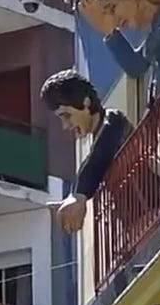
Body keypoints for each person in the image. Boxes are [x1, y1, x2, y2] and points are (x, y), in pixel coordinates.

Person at [40, 70, 133, 234]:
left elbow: (99, 156)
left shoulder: (113, 120)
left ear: (86, 102)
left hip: (156, 216)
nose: (66, 125)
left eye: (67, 115)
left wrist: (79, 196)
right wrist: (75, 195)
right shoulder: (98, 136)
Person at [80, 0, 160, 108]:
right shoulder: (152, 36)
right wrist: (109, 31)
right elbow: (135, 66)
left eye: (113, 8)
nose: (115, 20)